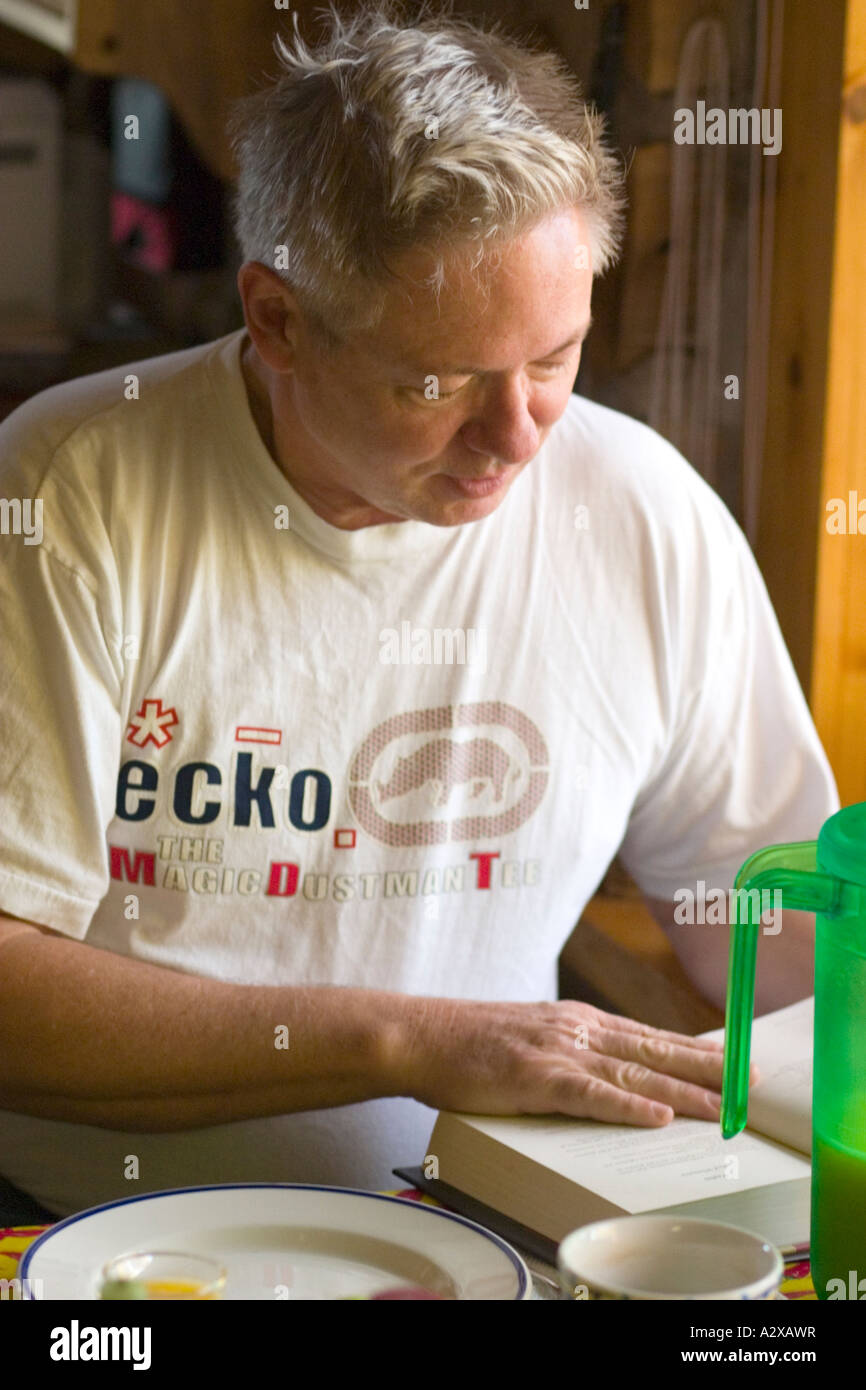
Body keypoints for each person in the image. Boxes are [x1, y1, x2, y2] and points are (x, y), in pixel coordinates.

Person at [0, 3, 837, 1219]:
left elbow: (780, 938)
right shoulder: (66, 489)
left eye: (553, 359)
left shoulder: (642, 511)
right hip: (81, 1229)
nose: (517, 436)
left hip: (475, 1236)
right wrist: (410, 1039)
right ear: (277, 319)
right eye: (434, 382)